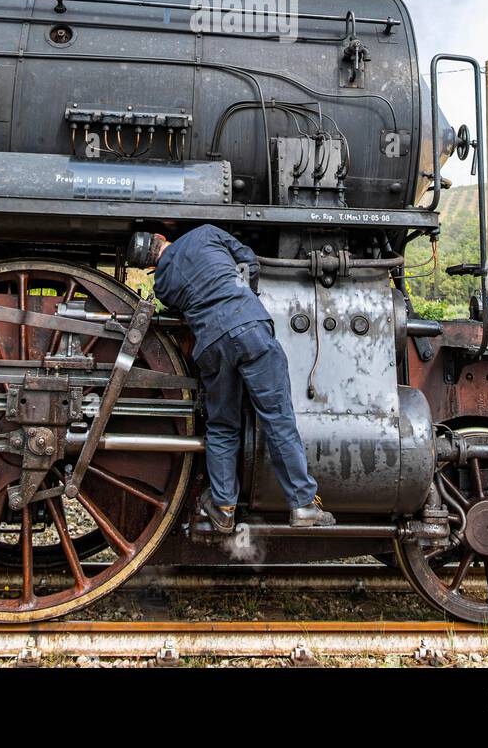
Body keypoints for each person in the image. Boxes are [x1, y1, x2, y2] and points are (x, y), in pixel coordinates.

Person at [127, 225, 334, 533]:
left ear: (148, 265)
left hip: (211, 347)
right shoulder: (204, 234)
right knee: (277, 418)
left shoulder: (163, 284)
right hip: (250, 328)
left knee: (222, 426)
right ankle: (302, 505)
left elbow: (182, 310)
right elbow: (249, 260)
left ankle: (224, 508)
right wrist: (244, 297)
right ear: (161, 238)